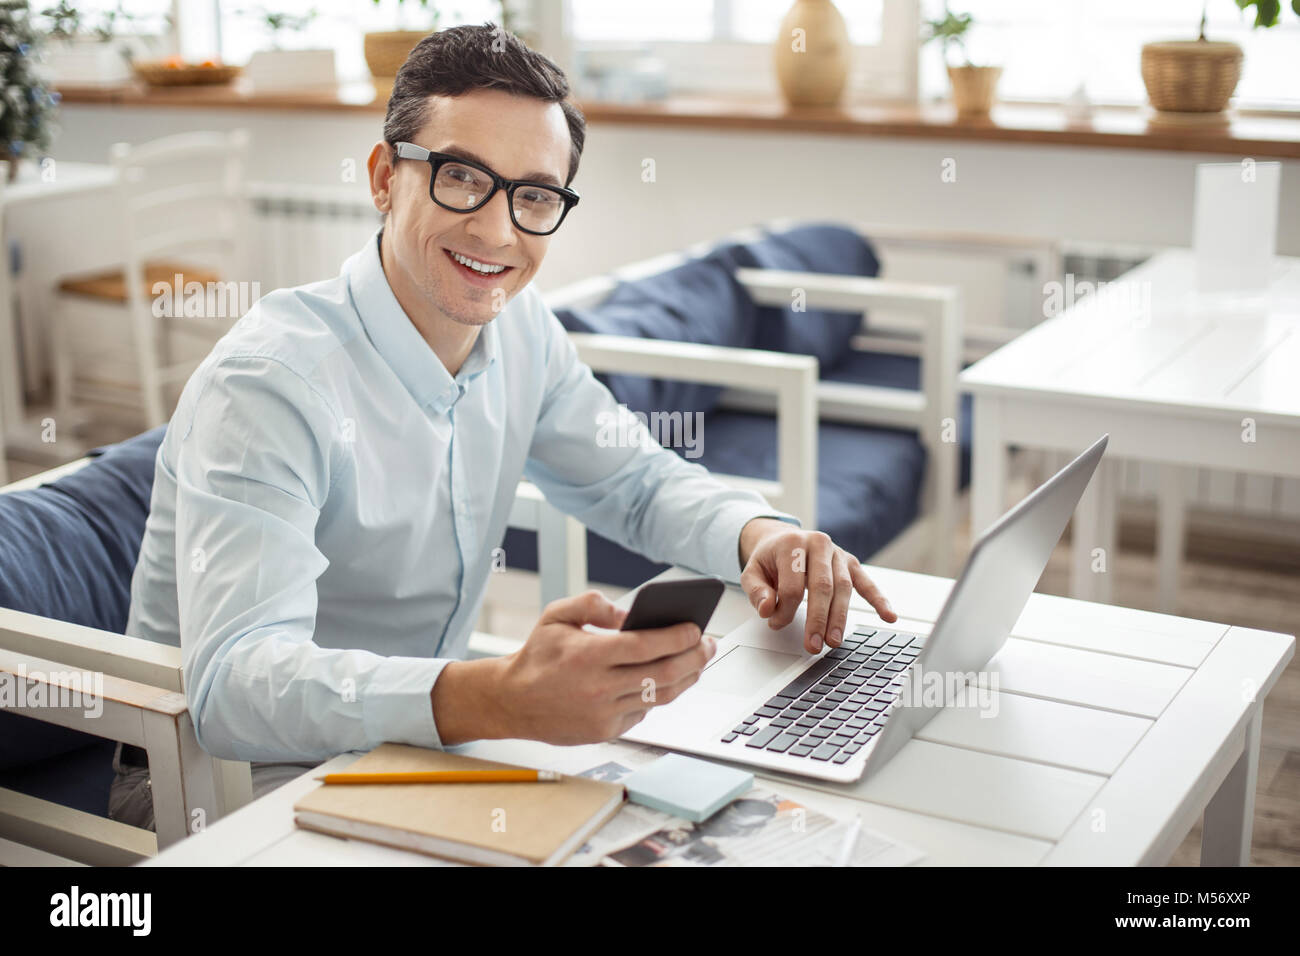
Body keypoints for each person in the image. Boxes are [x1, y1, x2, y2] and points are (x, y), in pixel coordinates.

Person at [109, 24, 897, 828]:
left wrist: (757, 534)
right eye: (460, 177)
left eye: (533, 196)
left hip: (407, 754)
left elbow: (629, 479)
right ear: (386, 177)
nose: (497, 231)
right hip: (226, 790)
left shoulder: (520, 331)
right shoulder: (272, 383)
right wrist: (499, 697)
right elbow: (233, 689)